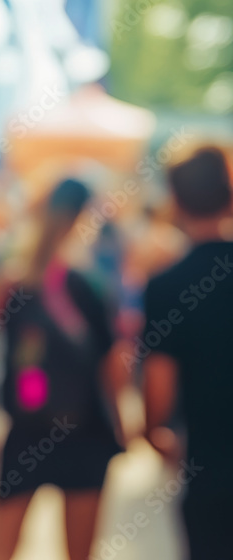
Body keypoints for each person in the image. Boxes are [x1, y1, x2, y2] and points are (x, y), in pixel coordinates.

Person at [0, 179, 127, 560]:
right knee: (80, 552)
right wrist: (122, 424)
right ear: (85, 217)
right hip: (87, 429)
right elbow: (112, 364)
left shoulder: (13, 281)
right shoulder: (91, 283)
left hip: (26, 427)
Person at [141, 146, 233, 559]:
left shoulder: (166, 286)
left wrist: (158, 435)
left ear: (174, 202)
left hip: (208, 476)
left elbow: (156, 398)